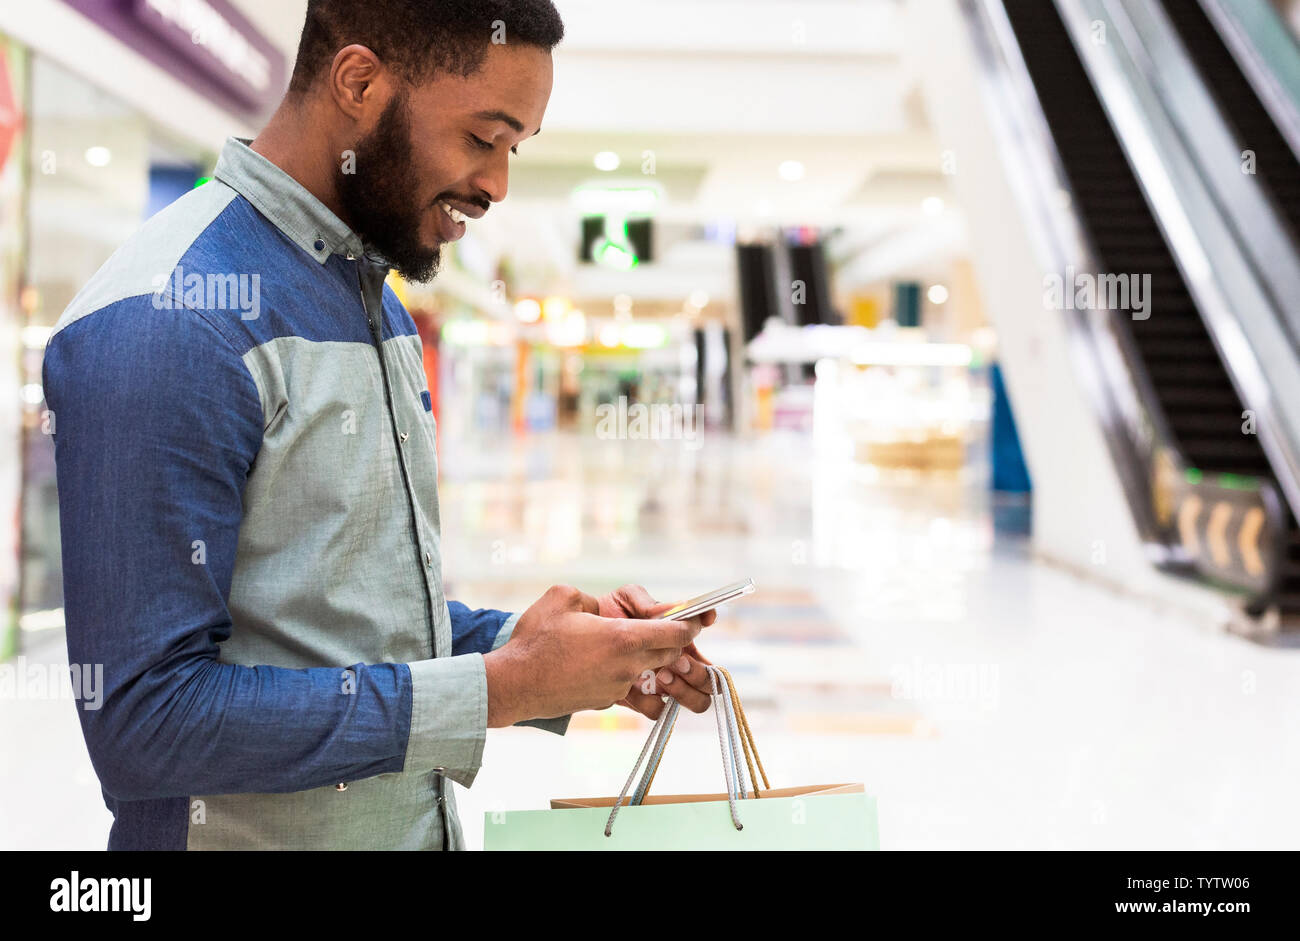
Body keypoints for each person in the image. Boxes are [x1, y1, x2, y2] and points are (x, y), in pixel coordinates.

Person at [42, 0, 717, 851]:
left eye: (516, 148)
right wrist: (496, 689)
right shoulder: (170, 319)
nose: (498, 184)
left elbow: (342, 620)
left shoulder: (379, 308)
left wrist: (537, 651)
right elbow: (146, 721)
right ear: (359, 81)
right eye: (483, 137)